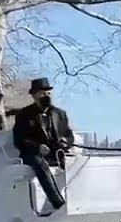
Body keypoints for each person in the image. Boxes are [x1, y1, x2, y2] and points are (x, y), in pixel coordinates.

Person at [12, 77, 75, 211]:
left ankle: (78, 199)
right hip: (32, 154)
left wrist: (66, 141)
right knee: (40, 164)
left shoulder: (60, 114)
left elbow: (69, 135)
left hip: (56, 151)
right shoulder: (24, 115)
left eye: (48, 93)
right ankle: (58, 203)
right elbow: (19, 139)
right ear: (34, 95)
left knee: (73, 161)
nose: (46, 95)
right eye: (42, 93)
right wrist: (37, 147)